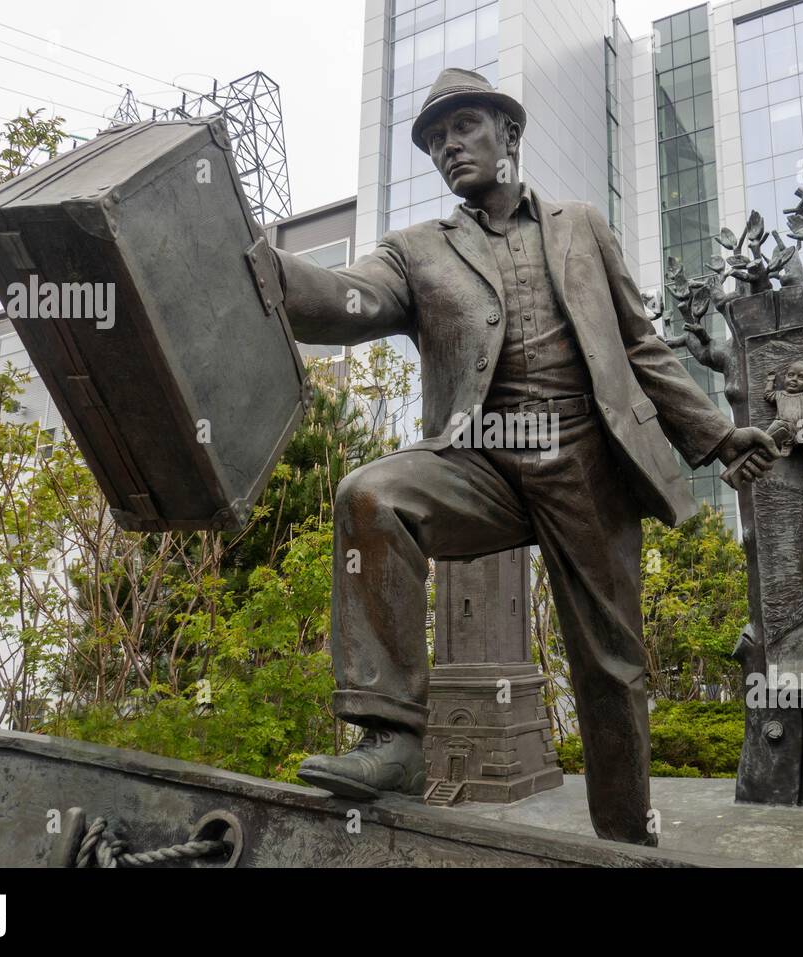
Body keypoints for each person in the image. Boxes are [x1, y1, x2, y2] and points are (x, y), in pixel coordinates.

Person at [271, 68, 777, 845]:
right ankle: (393, 739)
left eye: (462, 128)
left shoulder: (582, 225)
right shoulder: (415, 250)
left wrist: (712, 433)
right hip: (479, 459)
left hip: (586, 456)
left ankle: (624, 844)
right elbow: (345, 299)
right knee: (372, 495)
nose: (447, 149)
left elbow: (642, 346)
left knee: (612, 668)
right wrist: (258, 266)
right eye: (435, 141)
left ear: (508, 134)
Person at [763, 360, 803, 463]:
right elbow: (767, 395)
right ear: (785, 377)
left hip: (801, 424)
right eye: (791, 375)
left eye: (801, 377)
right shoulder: (780, 394)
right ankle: (784, 444)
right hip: (783, 423)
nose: (794, 380)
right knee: (770, 433)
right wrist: (770, 381)